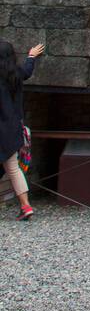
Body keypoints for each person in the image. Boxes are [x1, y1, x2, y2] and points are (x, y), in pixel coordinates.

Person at [0, 38, 44, 221]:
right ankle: (25, 206)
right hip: (12, 129)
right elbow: (27, 71)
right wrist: (31, 56)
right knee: (13, 169)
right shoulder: (16, 73)